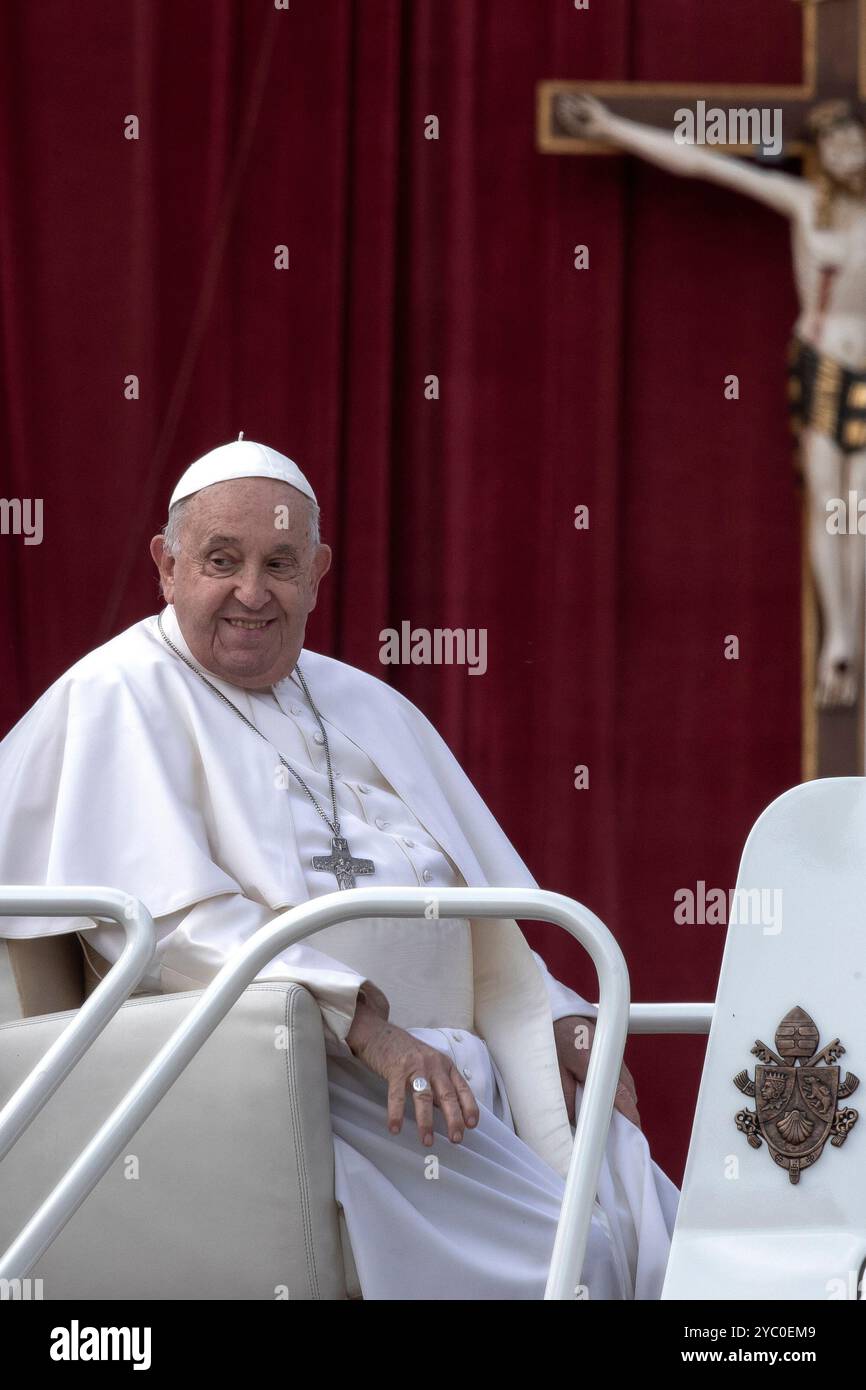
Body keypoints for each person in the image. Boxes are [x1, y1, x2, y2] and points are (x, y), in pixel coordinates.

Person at [0, 437, 678, 1299]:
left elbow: (480, 914)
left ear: (319, 571)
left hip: (460, 1067)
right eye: (221, 561)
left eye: (280, 563)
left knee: (650, 1230)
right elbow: (176, 929)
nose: (253, 593)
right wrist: (364, 1027)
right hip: (308, 1076)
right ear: (165, 566)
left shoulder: (366, 702)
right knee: (566, 1263)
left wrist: (555, 1017)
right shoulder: (117, 695)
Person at [559, 93, 866, 709]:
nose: (846, 153)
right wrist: (615, 124)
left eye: (855, 140)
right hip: (821, 364)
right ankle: (837, 635)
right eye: (834, 145)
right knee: (827, 504)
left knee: (858, 511)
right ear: (823, 157)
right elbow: (705, 164)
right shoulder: (807, 207)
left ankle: (849, 637)